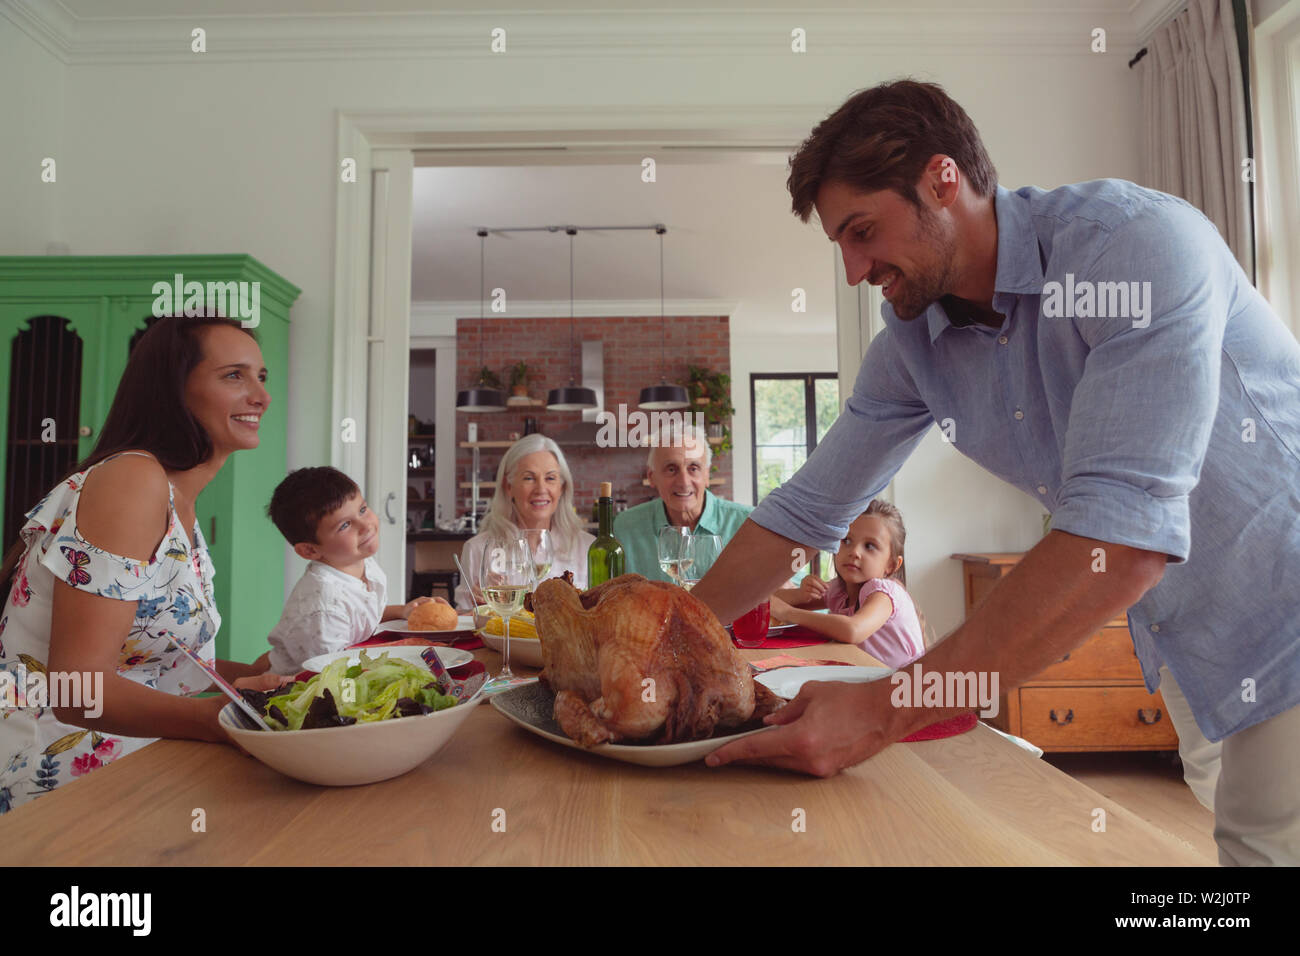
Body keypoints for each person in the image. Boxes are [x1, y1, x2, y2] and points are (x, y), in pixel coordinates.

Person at [694, 79, 1300, 866]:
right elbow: (808, 511)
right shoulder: (915, 346)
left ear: (944, 181)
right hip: (1188, 632)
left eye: (863, 231)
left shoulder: (1134, 247)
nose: (852, 271)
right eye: (840, 244)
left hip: (1282, 597)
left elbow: (1124, 538)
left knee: (1257, 853)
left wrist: (882, 711)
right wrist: (669, 634)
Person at [0, 316, 282, 815]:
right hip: (50, 782)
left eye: (261, 377)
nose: (261, 396)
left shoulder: (178, 504)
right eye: (234, 376)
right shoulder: (131, 481)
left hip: (140, 761)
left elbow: (152, 665)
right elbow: (75, 691)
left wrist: (261, 674)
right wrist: (212, 720)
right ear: (173, 390)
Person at [251, 467, 438, 674]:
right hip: (307, 690)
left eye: (362, 509)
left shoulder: (361, 562)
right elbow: (335, 677)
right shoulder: (323, 609)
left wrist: (402, 611)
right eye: (345, 525)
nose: (365, 526)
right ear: (310, 550)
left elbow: (357, 616)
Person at [770, 499, 925, 669]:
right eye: (847, 541)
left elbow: (853, 631)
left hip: (901, 689)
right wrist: (799, 594)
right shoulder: (840, 590)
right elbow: (770, 601)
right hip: (866, 681)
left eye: (869, 546)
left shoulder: (885, 593)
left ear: (891, 564)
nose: (855, 552)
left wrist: (787, 612)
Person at [454, 435, 593, 610]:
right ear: (508, 486)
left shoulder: (588, 548)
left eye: (550, 478)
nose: (541, 489)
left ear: (562, 487)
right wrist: (479, 606)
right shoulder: (478, 549)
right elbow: (465, 625)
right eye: (529, 478)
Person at [613, 421, 754, 584]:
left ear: (707, 475)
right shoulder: (625, 527)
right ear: (652, 477)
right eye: (671, 469)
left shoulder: (747, 523)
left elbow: (786, 594)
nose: (684, 482)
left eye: (693, 468)